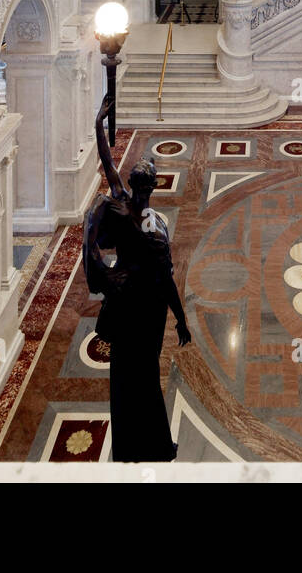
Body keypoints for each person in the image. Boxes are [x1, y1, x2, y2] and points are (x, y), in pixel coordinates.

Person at [83, 99, 191, 461]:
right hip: (146, 311)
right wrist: (181, 319)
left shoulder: (119, 203)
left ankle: (129, 445)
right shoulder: (155, 234)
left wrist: (100, 123)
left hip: (123, 303)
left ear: (132, 183)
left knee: (125, 376)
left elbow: (107, 163)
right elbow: (166, 283)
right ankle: (156, 445)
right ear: (156, 185)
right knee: (145, 377)